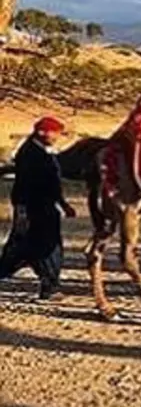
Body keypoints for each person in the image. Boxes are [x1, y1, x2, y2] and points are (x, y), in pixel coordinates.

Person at [0, 117, 77, 300]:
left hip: (44, 206)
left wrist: (62, 204)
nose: (57, 137)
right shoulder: (30, 154)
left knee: (43, 246)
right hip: (32, 207)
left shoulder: (42, 151)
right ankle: (50, 286)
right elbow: (34, 184)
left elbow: (53, 183)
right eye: (55, 133)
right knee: (32, 246)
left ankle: (50, 286)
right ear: (42, 132)